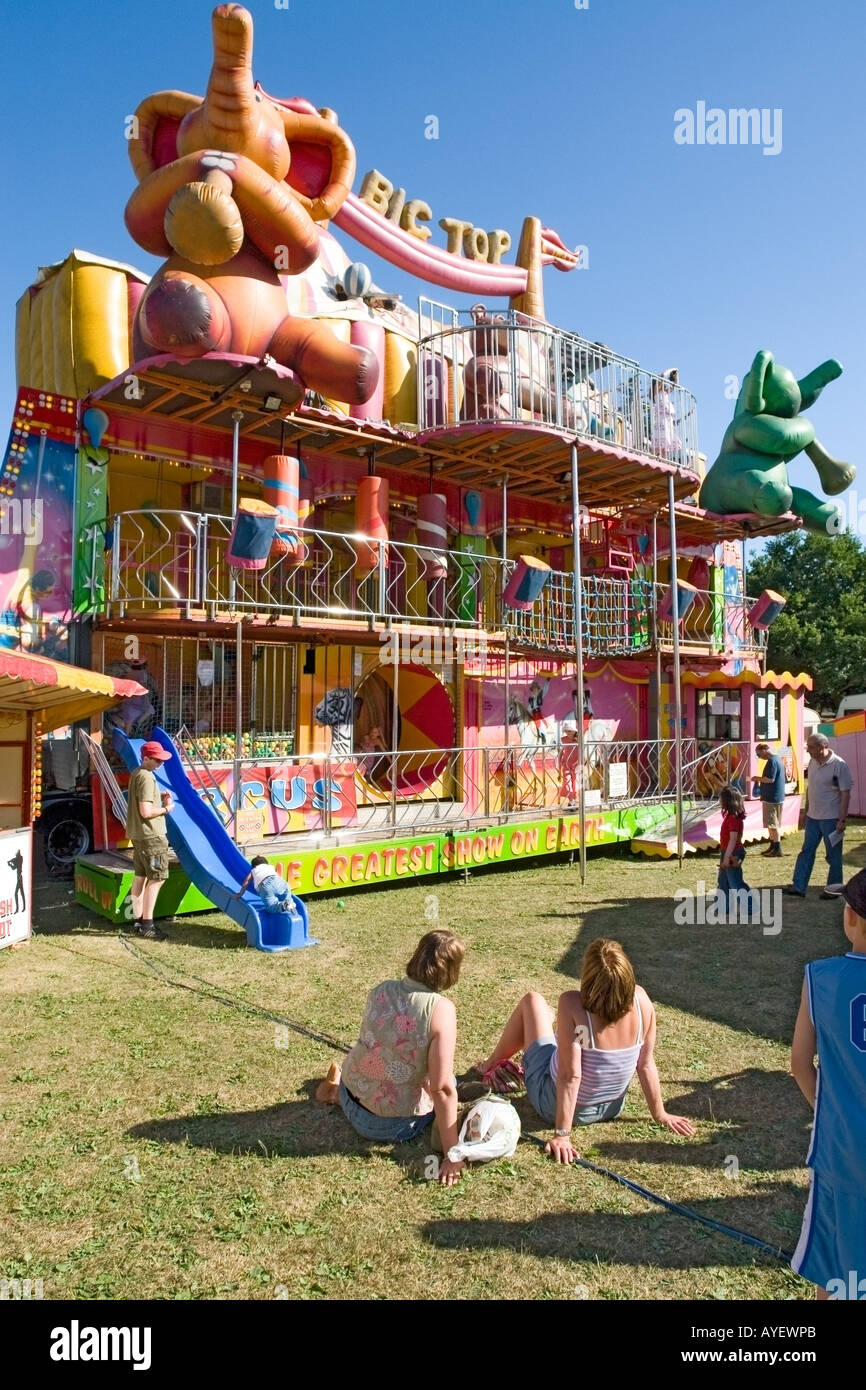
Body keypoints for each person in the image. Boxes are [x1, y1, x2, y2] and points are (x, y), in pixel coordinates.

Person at [476, 938, 696, 1164]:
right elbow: (646, 1064)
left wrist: (562, 1135)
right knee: (550, 1029)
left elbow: (571, 1075)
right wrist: (660, 1114)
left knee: (532, 1002)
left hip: (554, 1105)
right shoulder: (642, 1001)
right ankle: (547, 1025)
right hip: (612, 1107)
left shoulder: (572, 1004)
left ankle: (489, 1064)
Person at [334, 929, 466, 1186]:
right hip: (386, 1125)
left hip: (348, 1092)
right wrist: (453, 1155)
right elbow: (442, 1089)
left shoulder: (381, 989)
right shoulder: (441, 1010)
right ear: (451, 969)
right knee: (449, 1079)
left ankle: (332, 1091)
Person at [790, 867, 866, 1299]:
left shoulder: (820, 977)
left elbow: (801, 1064)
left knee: (836, 1268)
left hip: (842, 1152)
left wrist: (830, 1108)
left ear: (850, 918)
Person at [786, 733, 852, 900]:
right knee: (806, 852)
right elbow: (811, 788)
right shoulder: (813, 762)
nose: (807, 750)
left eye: (811, 747)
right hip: (813, 818)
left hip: (831, 819)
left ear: (823, 747)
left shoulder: (839, 765)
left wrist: (842, 820)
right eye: (807, 746)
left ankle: (833, 889)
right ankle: (798, 886)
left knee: (834, 856)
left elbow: (845, 794)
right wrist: (805, 811)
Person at [126, 740, 173, 941]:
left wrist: (158, 794)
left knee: (140, 876)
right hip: (152, 836)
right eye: (157, 760)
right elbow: (146, 811)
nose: (160, 764)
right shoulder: (147, 777)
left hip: (138, 836)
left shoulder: (137, 773)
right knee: (157, 878)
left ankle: (137, 921)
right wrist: (166, 809)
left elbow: (141, 798)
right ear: (146, 758)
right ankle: (148, 924)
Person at [717, 784, 752, 915]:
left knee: (735, 883)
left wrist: (726, 858)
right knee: (723, 882)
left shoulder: (733, 820)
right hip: (727, 851)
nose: (719, 801)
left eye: (721, 799)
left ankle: (750, 907)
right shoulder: (730, 817)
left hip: (732, 853)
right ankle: (722, 907)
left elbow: (733, 839)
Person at [752, 741, 786, 857]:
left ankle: (777, 849)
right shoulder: (776, 759)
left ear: (764, 751)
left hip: (772, 798)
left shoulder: (772, 761)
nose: (759, 757)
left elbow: (770, 779)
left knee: (773, 824)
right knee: (771, 824)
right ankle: (773, 846)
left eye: (758, 754)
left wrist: (757, 778)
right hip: (775, 796)